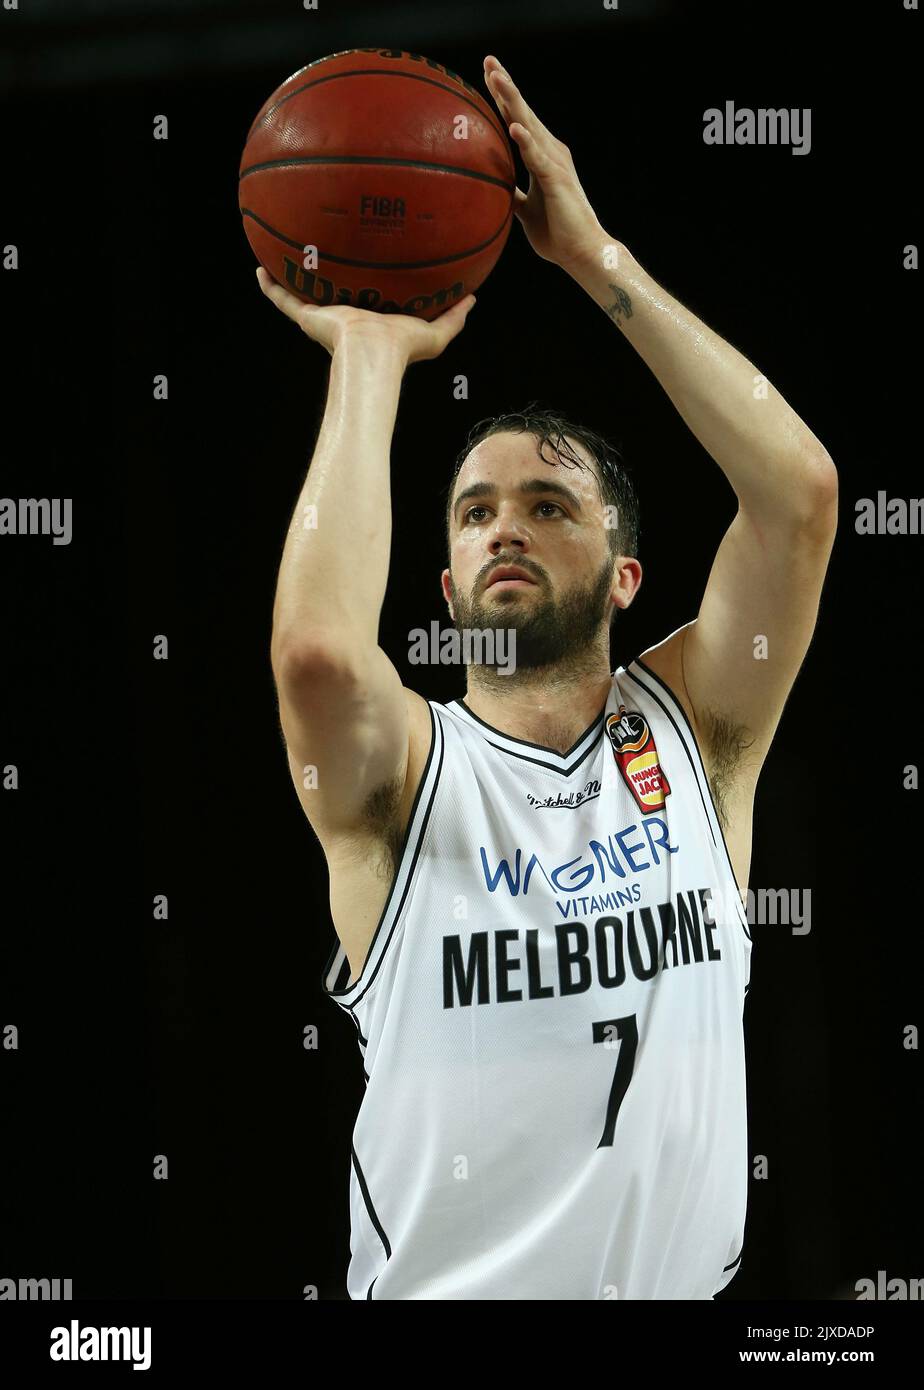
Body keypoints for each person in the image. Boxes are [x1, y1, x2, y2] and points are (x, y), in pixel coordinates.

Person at [263, 55, 838, 1299]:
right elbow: (314, 650)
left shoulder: (700, 732)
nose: (504, 527)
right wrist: (369, 354)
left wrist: (594, 258)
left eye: (547, 502)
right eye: (473, 514)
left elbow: (797, 498)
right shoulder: (404, 778)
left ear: (627, 576)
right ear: (448, 586)